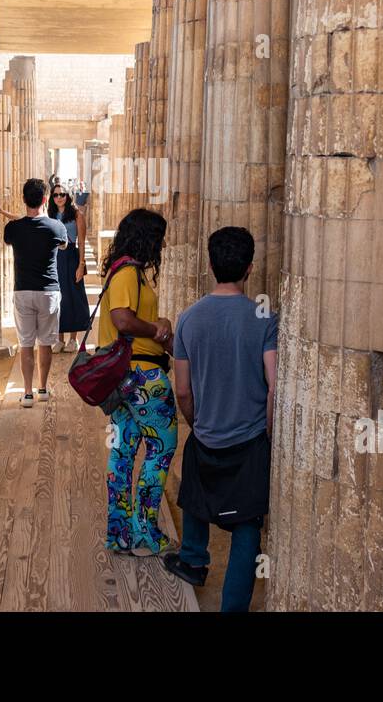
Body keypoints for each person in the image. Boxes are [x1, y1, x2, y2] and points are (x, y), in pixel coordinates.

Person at [163, 226, 277, 612]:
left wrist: (197, 422)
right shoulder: (265, 319)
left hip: (207, 432)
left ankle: (194, 559)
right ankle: (232, 607)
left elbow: (182, 389)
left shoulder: (189, 319)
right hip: (249, 441)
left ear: (210, 265)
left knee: (195, 489)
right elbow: (274, 385)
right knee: (247, 528)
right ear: (249, 268)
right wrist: (268, 432)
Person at [98, 208, 176, 557]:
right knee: (161, 448)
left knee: (123, 452)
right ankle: (145, 530)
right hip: (142, 374)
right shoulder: (129, 272)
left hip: (123, 378)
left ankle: (120, 533)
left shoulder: (123, 270)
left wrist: (152, 321)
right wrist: (157, 329)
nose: (160, 246)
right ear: (147, 238)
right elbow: (123, 321)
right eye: (158, 239)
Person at [0, 179, 68, 408]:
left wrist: (6, 213)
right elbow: (64, 245)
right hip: (48, 291)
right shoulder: (57, 227)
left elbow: (19, 227)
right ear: (45, 200)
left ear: (24, 199)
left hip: (23, 290)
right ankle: (43, 389)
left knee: (26, 344)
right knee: (45, 343)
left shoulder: (13, 228)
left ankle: (27, 393)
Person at [47, 182, 89, 352]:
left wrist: (81, 265)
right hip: (55, 258)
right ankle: (59, 339)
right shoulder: (50, 214)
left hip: (72, 257)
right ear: (52, 197)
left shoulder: (77, 214)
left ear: (68, 195)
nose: (59, 198)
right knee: (57, 297)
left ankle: (73, 339)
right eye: (56, 195)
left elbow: (81, 241)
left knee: (73, 296)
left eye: (62, 194)